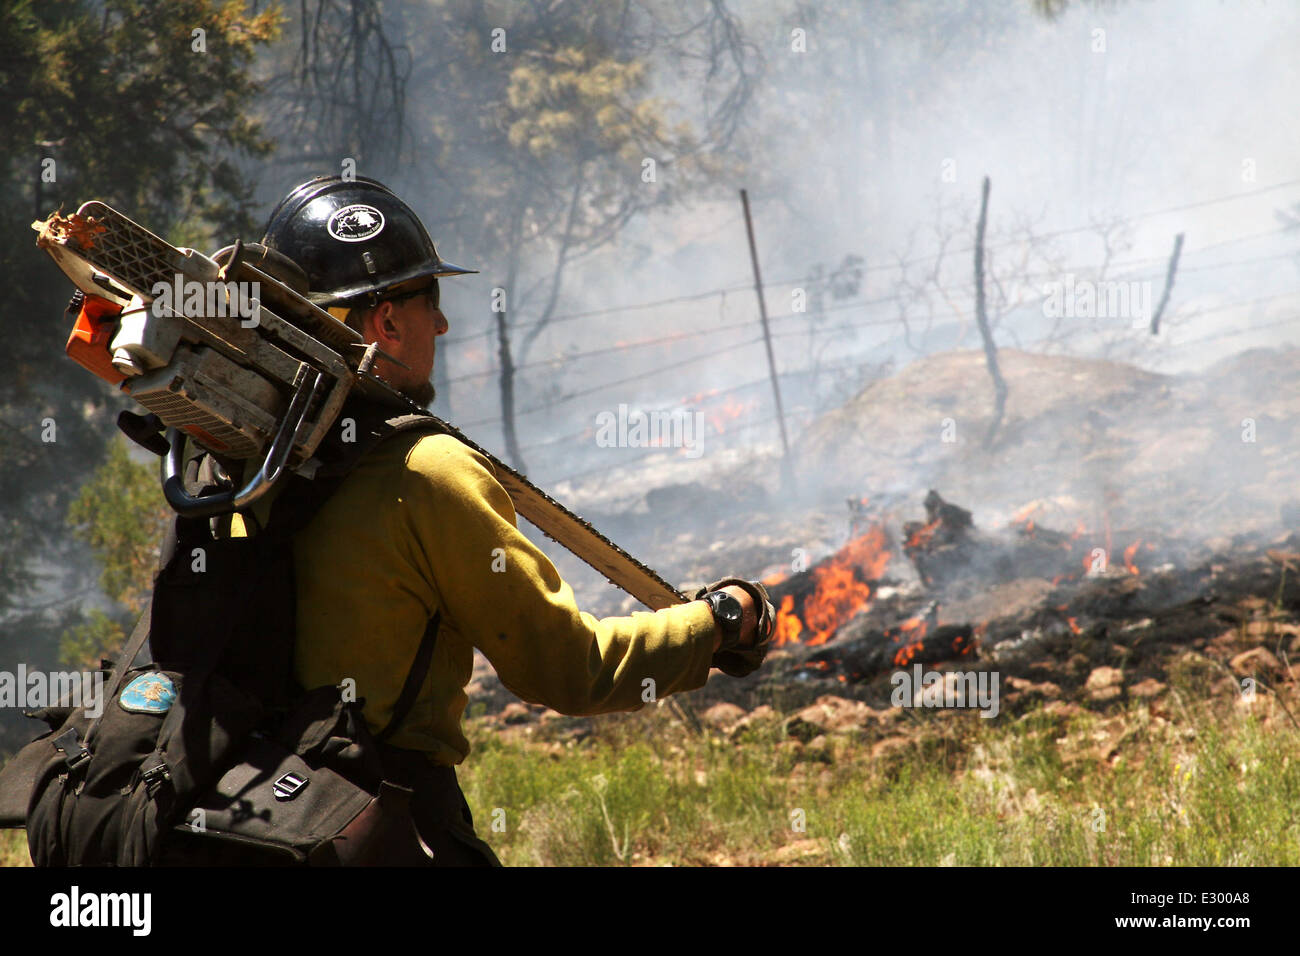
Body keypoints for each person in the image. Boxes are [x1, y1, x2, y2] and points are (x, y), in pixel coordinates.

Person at [252, 175, 775, 865]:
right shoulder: (427, 471)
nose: (439, 324)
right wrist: (720, 622)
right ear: (385, 321)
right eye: (427, 300)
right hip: (375, 816)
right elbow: (568, 670)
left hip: (255, 804)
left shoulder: (249, 458)